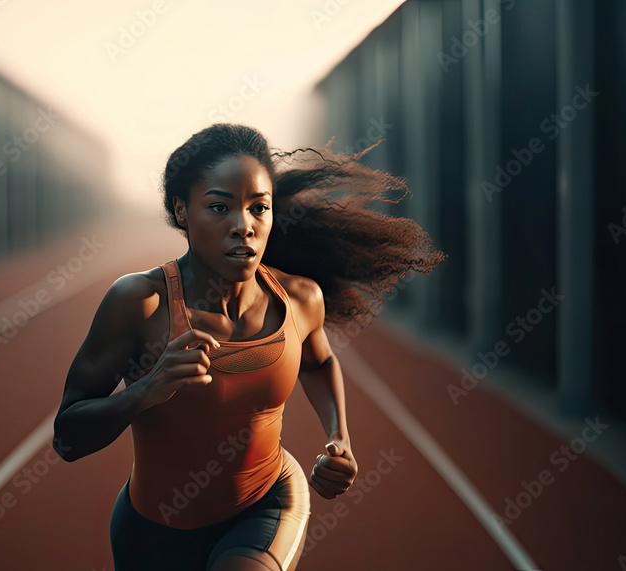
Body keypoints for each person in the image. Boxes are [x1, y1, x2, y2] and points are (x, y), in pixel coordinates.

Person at [52, 123, 444, 570]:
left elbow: (317, 363)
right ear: (182, 211)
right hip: (151, 533)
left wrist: (339, 438)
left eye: (259, 208)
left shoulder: (299, 300)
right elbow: (67, 439)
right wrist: (146, 390)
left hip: (265, 506)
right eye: (220, 207)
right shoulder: (140, 303)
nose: (244, 226)